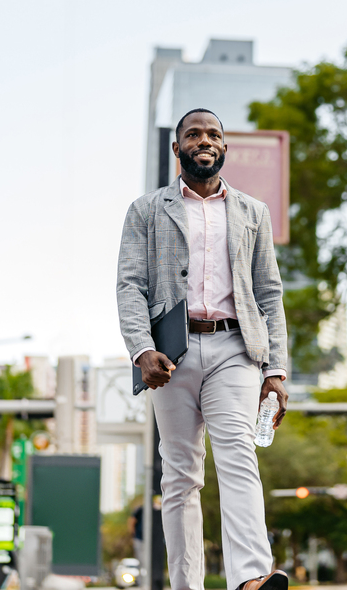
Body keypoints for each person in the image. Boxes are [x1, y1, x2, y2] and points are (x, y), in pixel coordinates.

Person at [117, 108, 290, 590]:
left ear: (224, 148)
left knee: (237, 452)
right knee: (180, 476)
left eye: (213, 134)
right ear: (178, 149)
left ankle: (252, 576)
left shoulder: (253, 212)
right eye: (193, 134)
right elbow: (130, 284)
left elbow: (268, 292)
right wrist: (141, 349)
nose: (204, 140)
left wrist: (275, 369)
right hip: (171, 354)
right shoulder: (147, 210)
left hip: (235, 347)